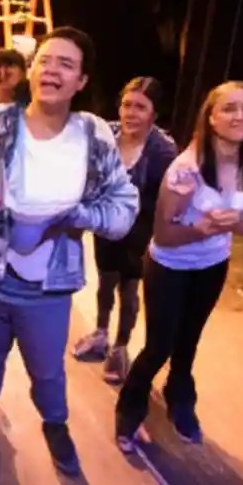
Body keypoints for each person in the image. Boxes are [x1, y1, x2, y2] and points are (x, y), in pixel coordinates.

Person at [0, 27, 139, 476]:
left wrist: (78, 216)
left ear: (82, 81)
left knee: (47, 371)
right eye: (45, 60)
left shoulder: (93, 134)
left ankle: (55, 425)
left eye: (66, 64)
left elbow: (123, 206)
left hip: (49, 286)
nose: (52, 70)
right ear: (32, 69)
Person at [114, 80, 243, 451]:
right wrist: (201, 229)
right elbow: (164, 235)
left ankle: (180, 396)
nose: (240, 116)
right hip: (170, 266)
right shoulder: (187, 169)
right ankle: (130, 406)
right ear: (211, 117)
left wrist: (233, 223)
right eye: (229, 108)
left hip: (213, 265)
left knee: (189, 340)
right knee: (159, 345)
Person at [72, 77, 178, 384]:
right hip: (105, 223)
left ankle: (120, 347)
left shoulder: (163, 150)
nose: (131, 113)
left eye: (140, 107)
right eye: (126, 105)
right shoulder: (106, 135)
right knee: (105, 282)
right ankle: (101, 333)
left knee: (128, 290)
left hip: (140, 229)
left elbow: (166, 202)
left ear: (154, 114)